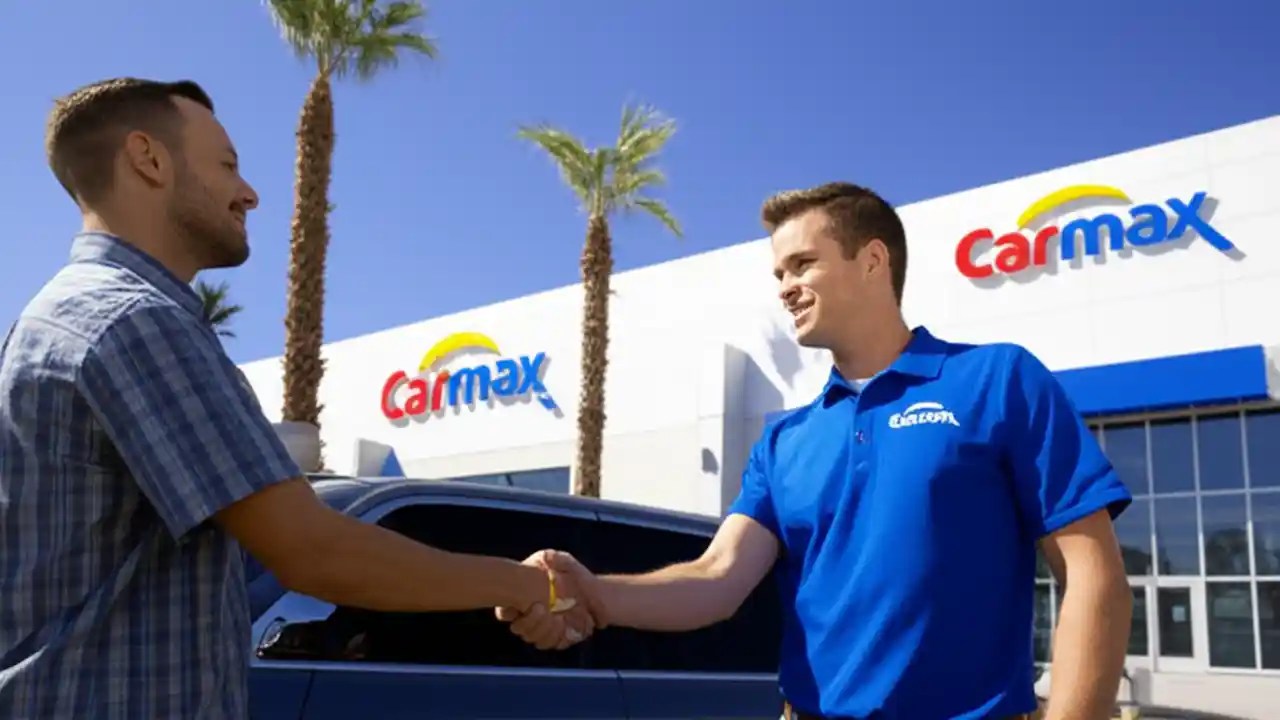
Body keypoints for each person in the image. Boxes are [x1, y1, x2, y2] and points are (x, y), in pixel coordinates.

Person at [0, 77, 591, 720]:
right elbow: (314, 551)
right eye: (227, 165)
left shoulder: (59, 318)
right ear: (149, 159)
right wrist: (534, 584)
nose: (248, 192)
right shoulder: (135, 321)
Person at [497, 182, 1135, 720]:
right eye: (779, 273)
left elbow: (1091, 571)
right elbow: (716, 580)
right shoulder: (784, 441)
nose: (785, 287)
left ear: (872, 261)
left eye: (802, 264)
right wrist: (594, 592)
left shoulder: (999, 381)